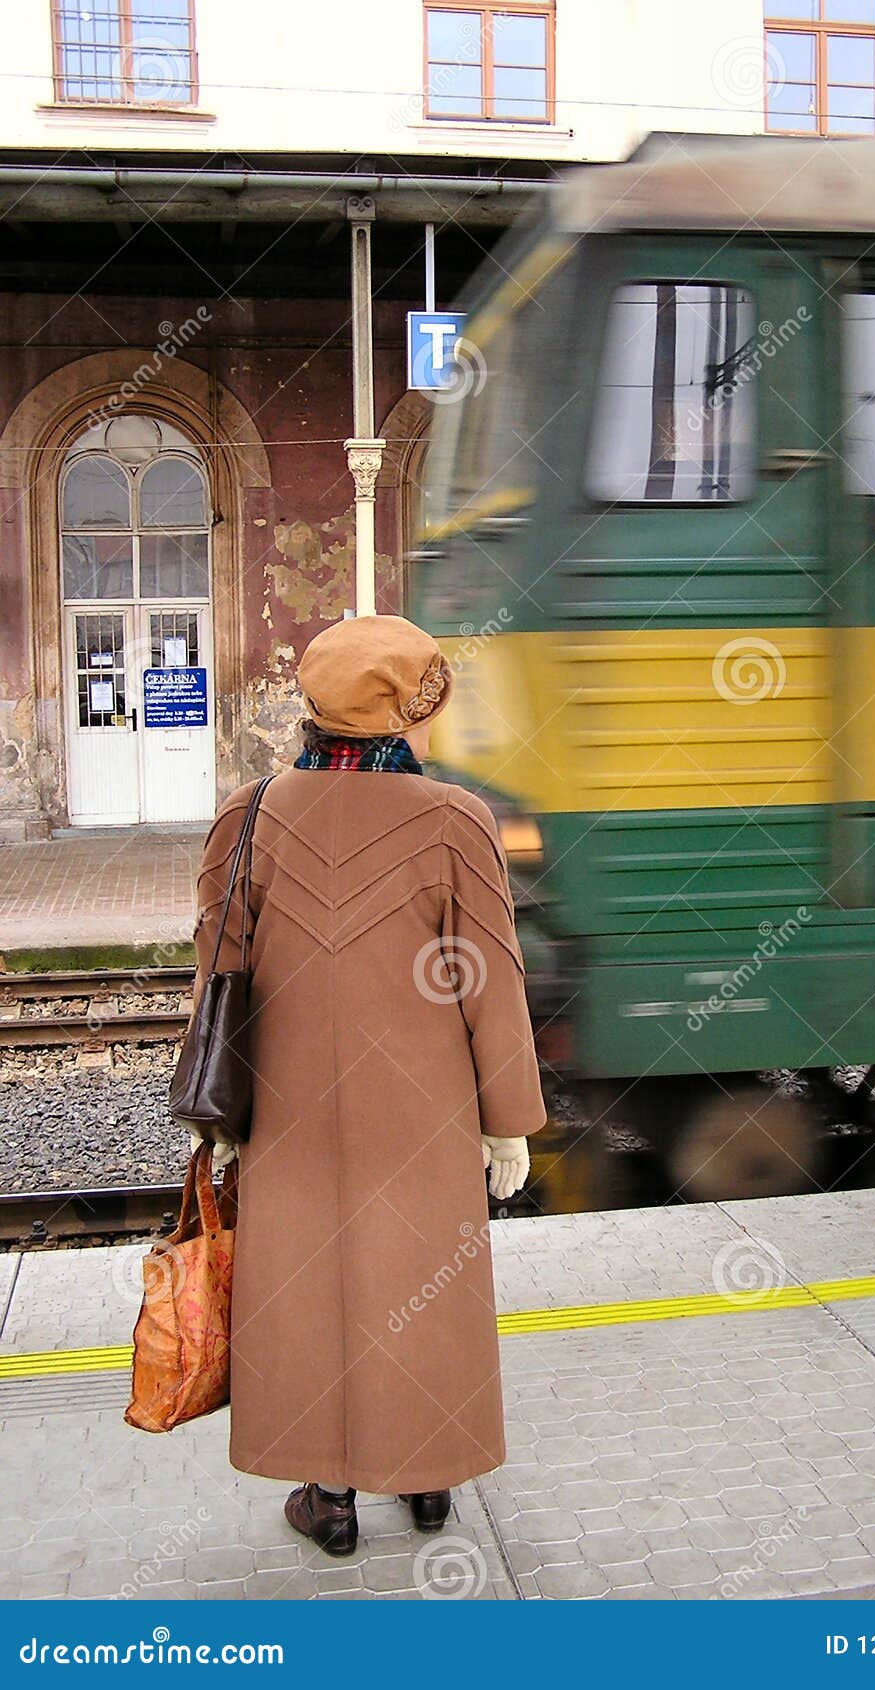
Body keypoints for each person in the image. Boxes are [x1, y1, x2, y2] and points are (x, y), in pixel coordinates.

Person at [190, 614, 546, 1557]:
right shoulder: (456, 821)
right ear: (411, 711)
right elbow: (489, 980)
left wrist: (220, 1117)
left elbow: (216, 967)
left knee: (307, 1289)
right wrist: (507, 1122)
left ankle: (331, 1497)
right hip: (426, 1110)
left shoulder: (250, 812)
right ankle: (428, 1480)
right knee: (419, 1284)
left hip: (286, 1109)